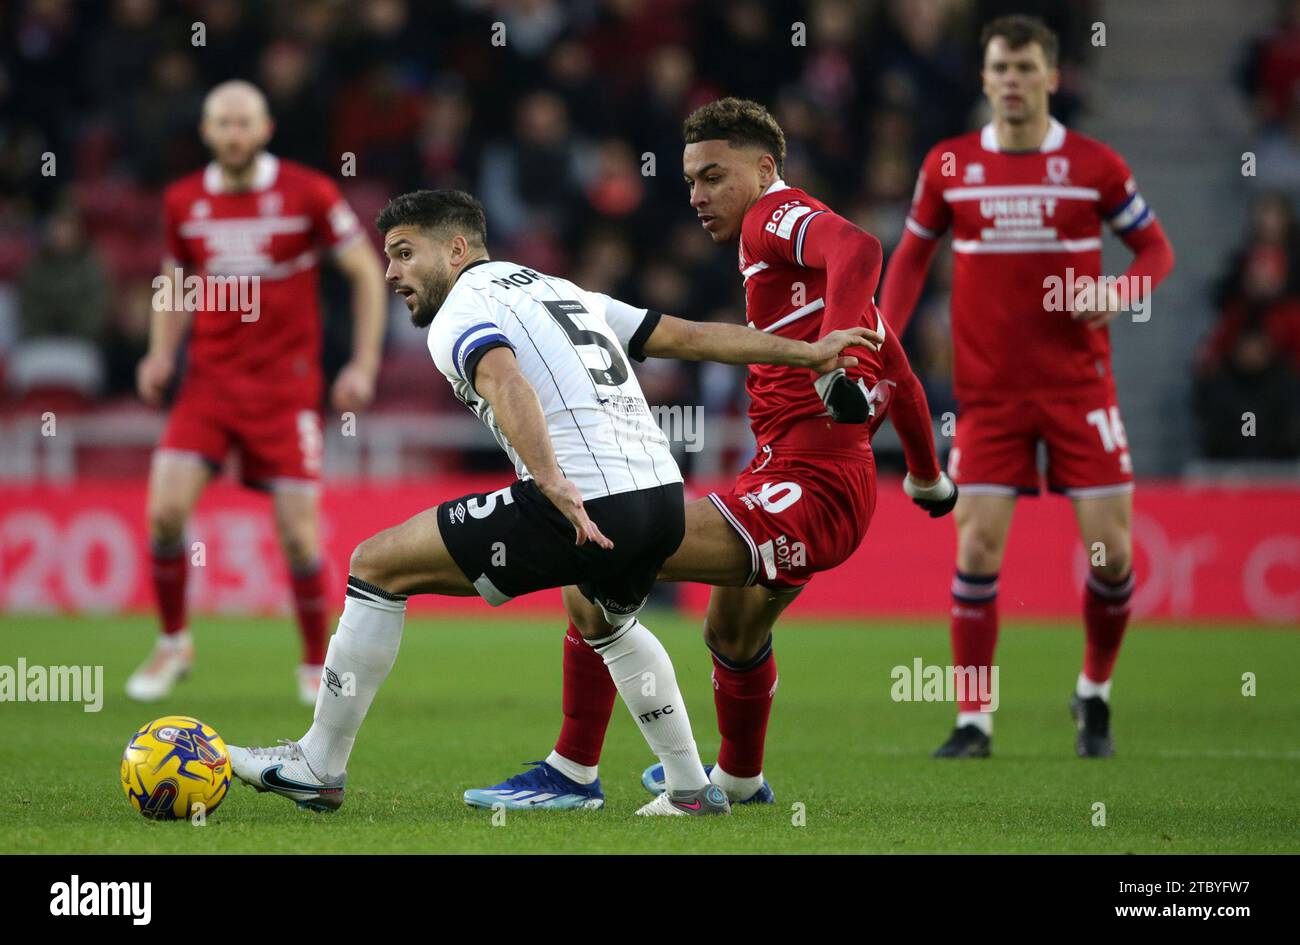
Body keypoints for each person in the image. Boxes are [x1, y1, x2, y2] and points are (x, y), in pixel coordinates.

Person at [226, 188, 881, 816]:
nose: (392, 272)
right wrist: (806, 351)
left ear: (457, 250)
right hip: (660, 499)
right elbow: (686, 335)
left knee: (376, 563)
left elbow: (505, 377)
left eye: (404, 253)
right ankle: (685, 785)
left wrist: (548, 480)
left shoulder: (461, 308)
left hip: (588, 495)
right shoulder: (558, 289)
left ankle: (318, 765)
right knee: (602, 616)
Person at [464, 98, 955, 811]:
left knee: (600, 549)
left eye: (714, 177)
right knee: (731, 630)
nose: (697, 196)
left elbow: (860, 246)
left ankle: (573, 771)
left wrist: (831, 369)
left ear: (763, 170)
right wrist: (928, 476)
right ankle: (741, 780)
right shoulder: (816, 291)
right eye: (690, 180)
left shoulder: (772, 217)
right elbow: (904, 378)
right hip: (812, 481)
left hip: (807, 488)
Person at [879, 16, 1175, 758]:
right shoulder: (949, 165)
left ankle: (1094, 692)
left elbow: (1155, 247)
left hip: (1081, 390)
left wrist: (1119, 290)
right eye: (1000, 68)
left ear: (1051, 77)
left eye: (1025, 68)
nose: (1011, 80)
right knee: (976, 548)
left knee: (1112, 558)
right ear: (984, 79)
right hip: (990, 396)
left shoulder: (1092, 164)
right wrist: (879, 338)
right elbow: (912, 257)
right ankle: (975, 719)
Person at [128, 80, 387, 705]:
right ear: (207, 132)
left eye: (245, 122)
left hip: (287, 389)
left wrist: (363, 363)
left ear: (266, 128)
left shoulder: (309, 192)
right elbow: (174, 281)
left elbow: (366, 274)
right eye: (223, 123)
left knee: (300, 537)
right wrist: (160, 352)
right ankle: (172, 644)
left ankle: (310, 663)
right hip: (209, 385)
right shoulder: (183, 201)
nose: (235, 133)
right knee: (163, 513)